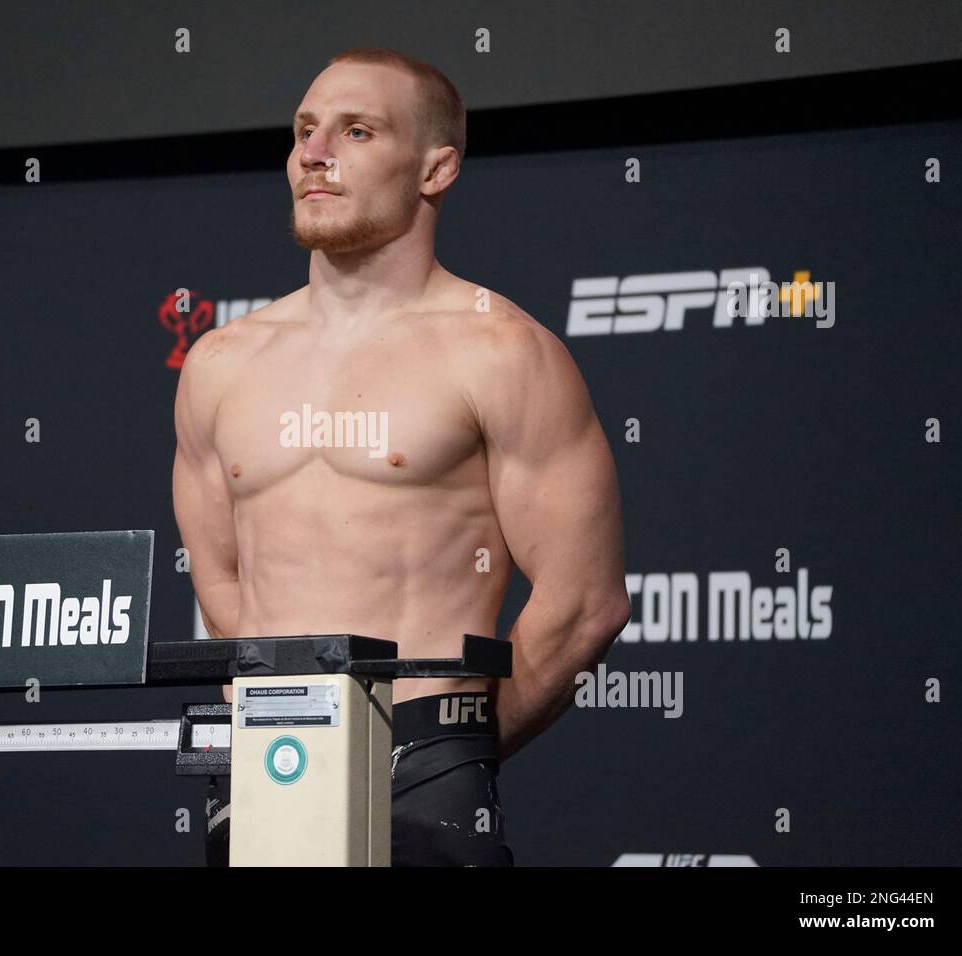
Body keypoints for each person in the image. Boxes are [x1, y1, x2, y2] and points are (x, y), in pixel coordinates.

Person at [172, 47, 630, 866]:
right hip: (265, 767)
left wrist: (454, 744)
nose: (315, 153)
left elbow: (584, 603)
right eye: (305, 130)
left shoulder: (501, 353)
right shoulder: (220, 364)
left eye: (356, 131)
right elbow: (221, 586)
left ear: (436, 169)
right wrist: (294, 725)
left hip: (428, 771)